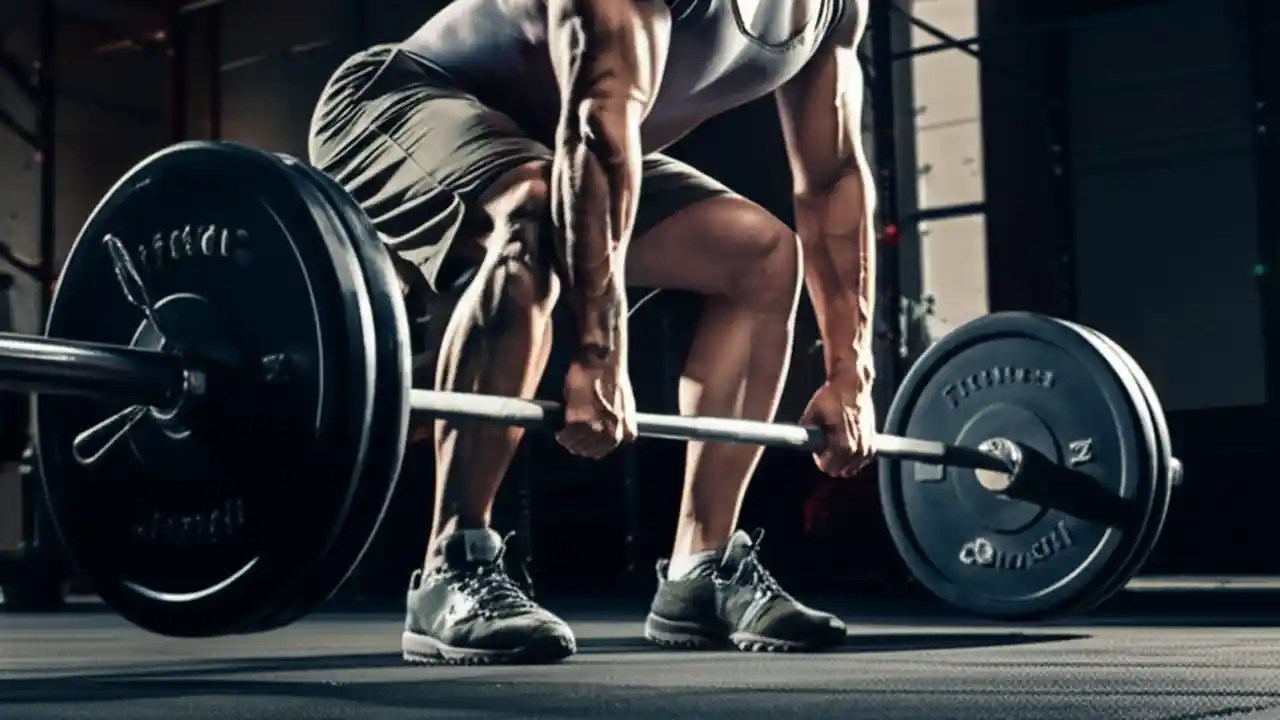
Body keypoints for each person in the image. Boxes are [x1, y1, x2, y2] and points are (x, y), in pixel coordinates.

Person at [309, 0, 877, 665]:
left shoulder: (835, 9)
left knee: (760, 255)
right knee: (531, 215)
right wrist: (599, 353)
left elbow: (833, 179)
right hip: (394, 103)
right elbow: (597, 131)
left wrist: (850, 372)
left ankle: (701, 569)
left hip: (555, 146)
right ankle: (452, 565)